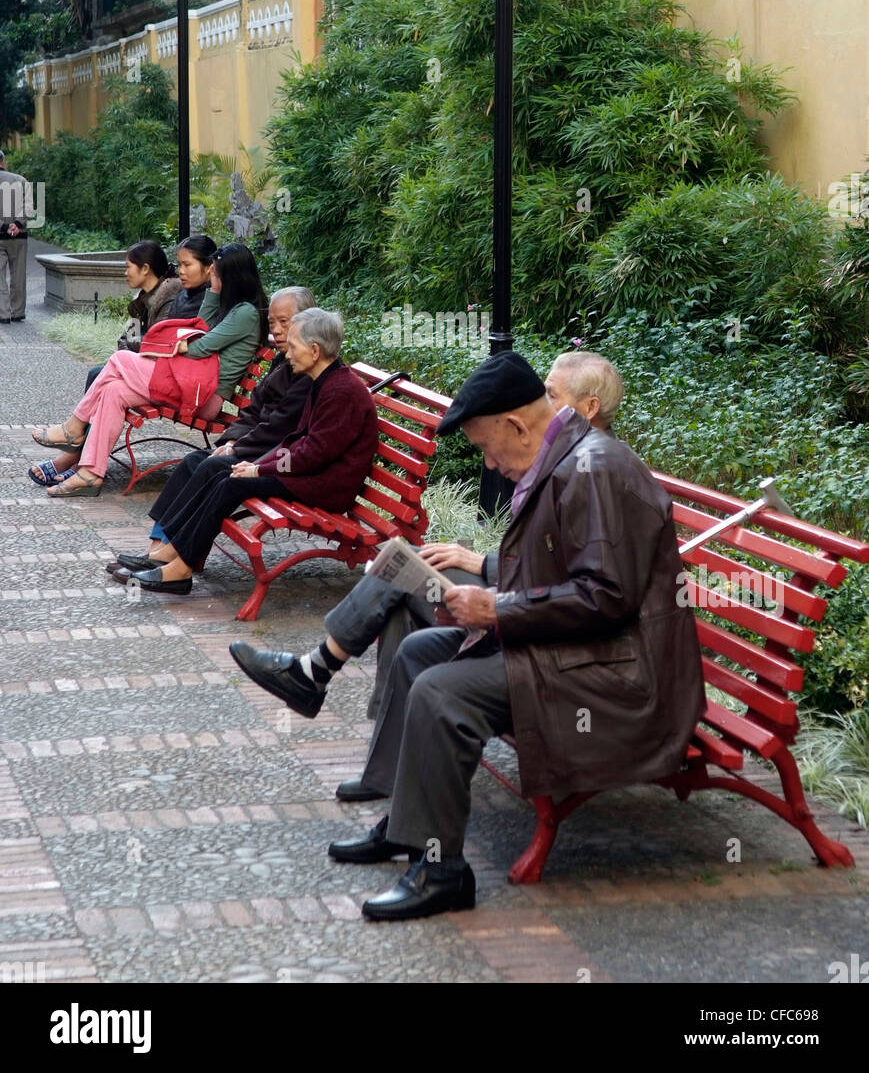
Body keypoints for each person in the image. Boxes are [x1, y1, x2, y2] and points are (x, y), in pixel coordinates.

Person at [238, 350, 706, 920]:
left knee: (444, 692)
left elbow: (606, 598)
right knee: (417, 651)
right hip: (575, 651)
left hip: (619, 677)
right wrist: (488, 591)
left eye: (487, 447)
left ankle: (444, 875)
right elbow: (564, 575)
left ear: (515, 424)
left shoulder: (595, 469)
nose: (488, 463)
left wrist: (498, 608)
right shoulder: (565, 458)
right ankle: (412, 826)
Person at [228, 348, 621, 803]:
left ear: (588, 407)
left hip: (545, 630)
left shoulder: (594, 468)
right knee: (409, 573)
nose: (542, 401)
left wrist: (486, 568)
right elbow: (551, 559)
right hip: (524, 599)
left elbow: (584, 582)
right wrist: (485, 564)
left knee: (406, 580)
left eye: (552, 393)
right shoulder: (564, 459)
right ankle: (376, 754)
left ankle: (317, 675)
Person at [106, 306, 378, 596]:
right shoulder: (325, 381)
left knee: (230, 483)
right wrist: (257, 464)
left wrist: (259, 468)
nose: (287, 353)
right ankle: (173, 553)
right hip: (310, 473)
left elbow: (312, 453)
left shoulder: (340, 392)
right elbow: (297, 441)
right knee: (224, 477)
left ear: (314, 351)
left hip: (325, 485)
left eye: (294, 347)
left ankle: (179, 569)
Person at [30, 242, 268, 498]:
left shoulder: (245, 313)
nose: (212, 275)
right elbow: (200, 325)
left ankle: (74, 428)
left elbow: (200, 348)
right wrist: (212, 292)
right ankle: (91, 473)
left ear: (232, 276)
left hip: (204, 396)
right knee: (114, 390)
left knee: (120, 359)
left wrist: (182, 342)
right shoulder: (228, 304)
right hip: (192, 384)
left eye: (216, 272)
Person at [107, 285, 315, 572]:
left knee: (211, 468)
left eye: (285, 322)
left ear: (309, 323)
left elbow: (279, 428)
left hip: (270, 455)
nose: (277, 331)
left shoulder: (307, 372)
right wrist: (227, 442)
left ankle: (175, 554)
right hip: (256, 445)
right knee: (195, 460)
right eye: (273, 323)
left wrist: (235, 448)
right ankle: (158, 547)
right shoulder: (285, 360)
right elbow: (253, 411)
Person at [0, 148, 30, 324]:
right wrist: (17, 224)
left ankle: (3, 313)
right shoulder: (20, 180)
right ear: (3, 161)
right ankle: (17, 311)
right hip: (19, 237)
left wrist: (4, 225)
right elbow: (29, 207)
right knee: (18, 275)